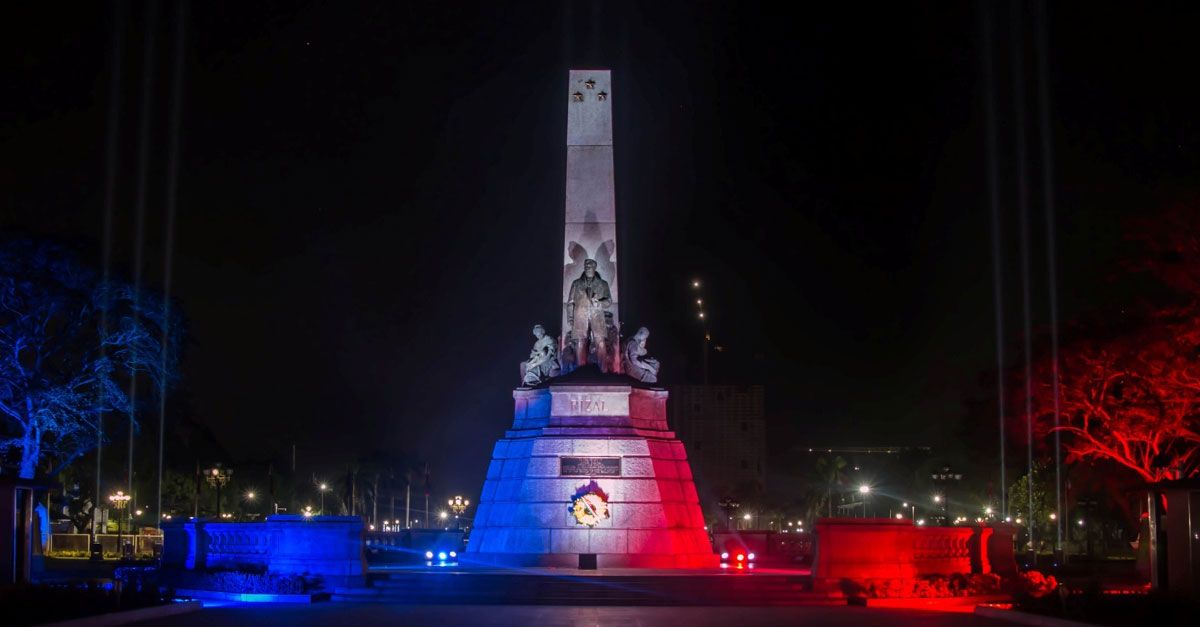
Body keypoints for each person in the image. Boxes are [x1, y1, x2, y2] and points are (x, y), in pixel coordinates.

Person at [567, 259, 612, 371]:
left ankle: (604, 371)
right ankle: (580, 371)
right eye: (586, 265)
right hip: (580, 317)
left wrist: (600, 303)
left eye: (590, 266)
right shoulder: (576, 283)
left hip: (597, 316)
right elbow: (570, 302)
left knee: (600, 343)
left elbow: (609, 301)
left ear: (595, 268)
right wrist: (571, 318)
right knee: (580, 342)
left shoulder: (603, 284)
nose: (587, 267)